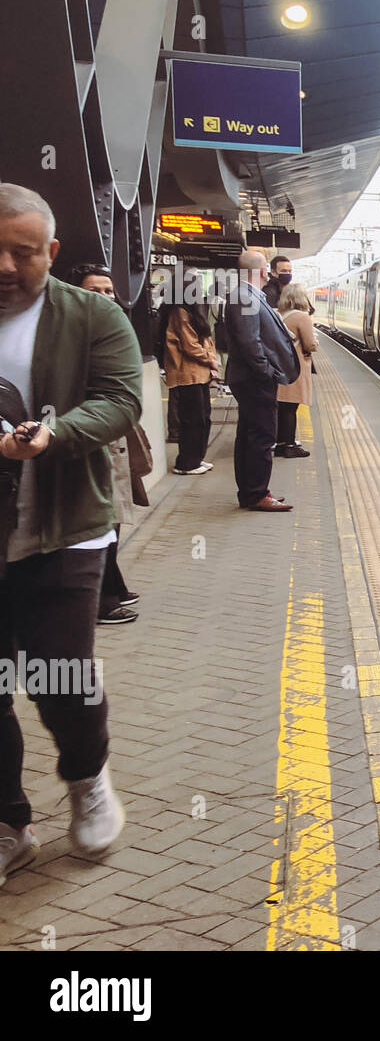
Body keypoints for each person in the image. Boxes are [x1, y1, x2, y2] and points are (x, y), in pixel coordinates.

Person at [0, 184, 141, 880]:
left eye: (20, 252)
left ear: (49, 252)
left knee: (62, 678)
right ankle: (9, 822)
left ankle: (86, 778)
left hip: (64, 529)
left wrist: (54, 436)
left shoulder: (92, 314)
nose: (3, 264)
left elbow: (119, 399)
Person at [72, 264, 151, 627]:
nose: (105, 297)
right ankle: (102, 603)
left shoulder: (111, 331)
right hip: (91, 443)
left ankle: (113, 587)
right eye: (95, 290)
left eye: (109, 291)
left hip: (115, 441)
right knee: (104, 520)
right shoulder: (72, 335)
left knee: (114, 519)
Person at [223, 250, 298, 512]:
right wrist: (266, 371)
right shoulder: (245, 296)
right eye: (268, 267)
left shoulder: (249, 295)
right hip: (254, 379)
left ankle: (251, 492)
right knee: (262, 436)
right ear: (263, 271)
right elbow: (249, 341)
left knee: (249, 434)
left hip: (250, 378)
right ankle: (256, 494)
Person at [159, 276, 219, 475]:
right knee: (192, 419)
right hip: (187, 372)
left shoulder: (191, 309)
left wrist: (211, 357)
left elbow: (205, 339)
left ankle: (197, 459)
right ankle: (186, 463)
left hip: (199, 373)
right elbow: (189, 345)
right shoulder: (179, 311)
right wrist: (210, 359)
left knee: (203, 418)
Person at [274, 281, 318, 459]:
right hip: (295, 366)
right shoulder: (302, 317)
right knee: (291, 407)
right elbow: (309, 344)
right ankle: (290, 445)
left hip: (279, 365)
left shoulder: (278, 314)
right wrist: (315, 343)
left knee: (281, 406)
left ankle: (280, 443)